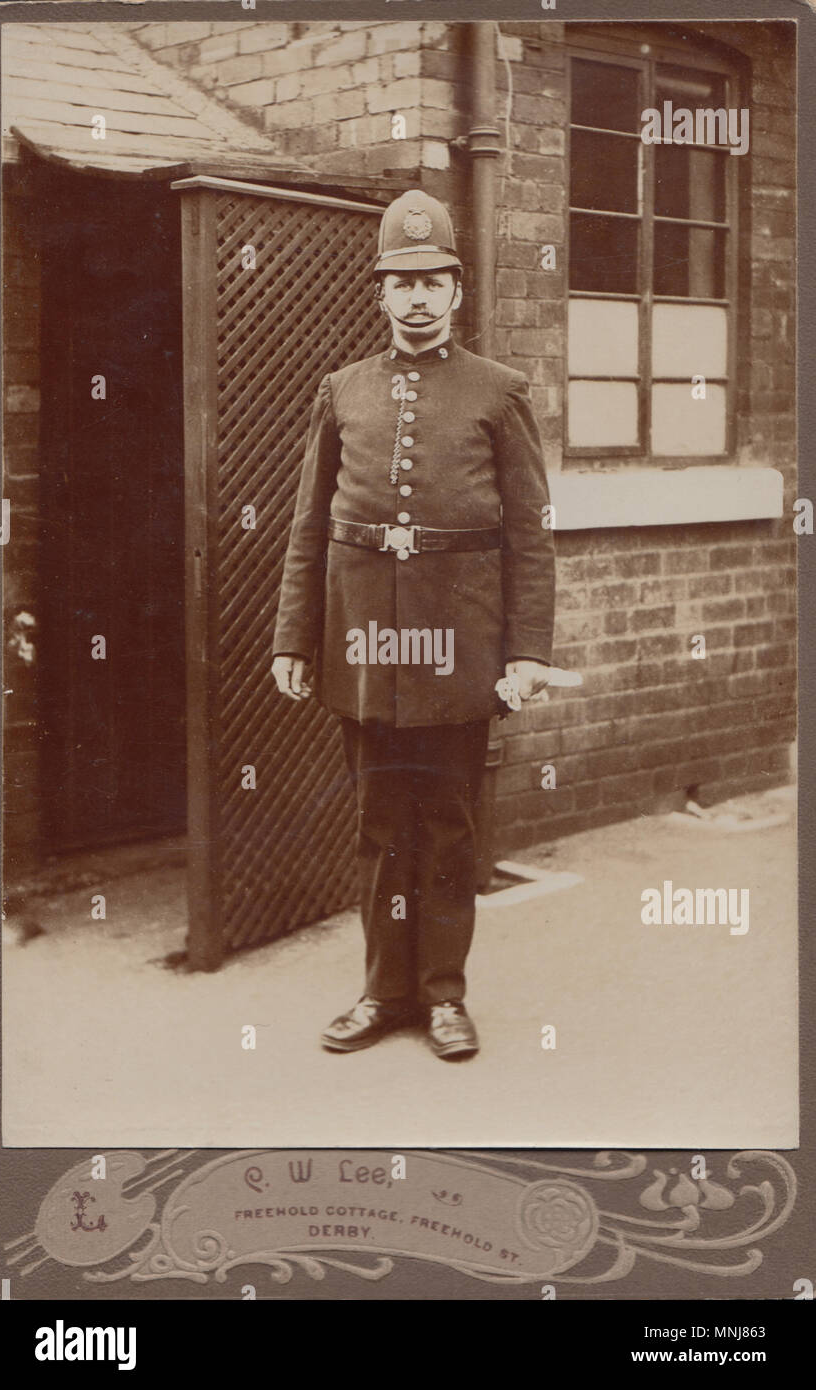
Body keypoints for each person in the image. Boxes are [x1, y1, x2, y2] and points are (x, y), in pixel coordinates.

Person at [272, 189, 555, 1059]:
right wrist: (293, 638)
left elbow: (529, 536)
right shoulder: (342, 392)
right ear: (380, 294)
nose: (419, 297)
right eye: (403, 282)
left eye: (435, 280)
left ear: (458, 291)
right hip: (364, 649)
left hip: (456, 652)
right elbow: (308, 526)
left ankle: (441, 998)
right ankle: (380, 992)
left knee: (445, 827)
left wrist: (527, 652)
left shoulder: (497, 393)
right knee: (376, 825)